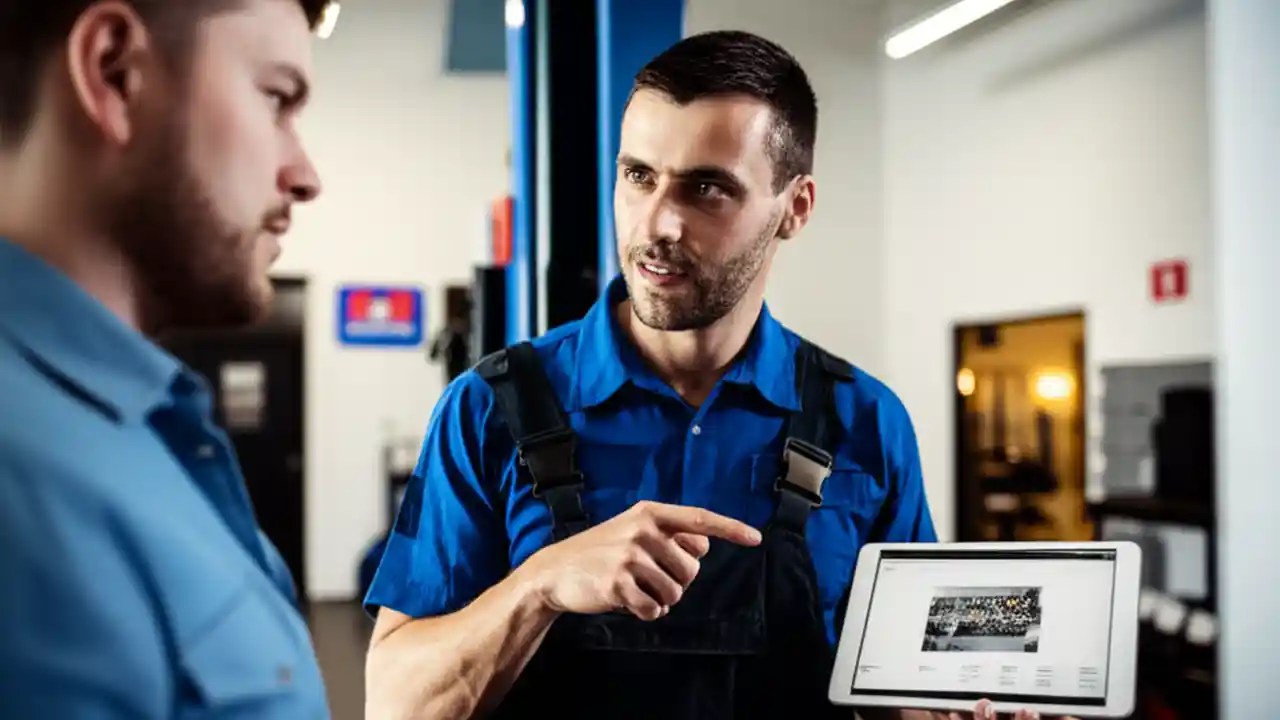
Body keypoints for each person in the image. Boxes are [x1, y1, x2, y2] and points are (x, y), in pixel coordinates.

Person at [363, 30, 1060, 720]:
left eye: (707, 188)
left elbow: (902, 699)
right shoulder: (489, 410)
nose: (658, 223)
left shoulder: (865, 422)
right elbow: (396, 704)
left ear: (796, 207)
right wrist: (540, 583)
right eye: (639, 176)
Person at [0, 0, 328, 717]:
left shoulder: (142, 431)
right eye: (275, 99)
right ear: (117, 74)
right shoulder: (24, 482)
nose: (305, 176)